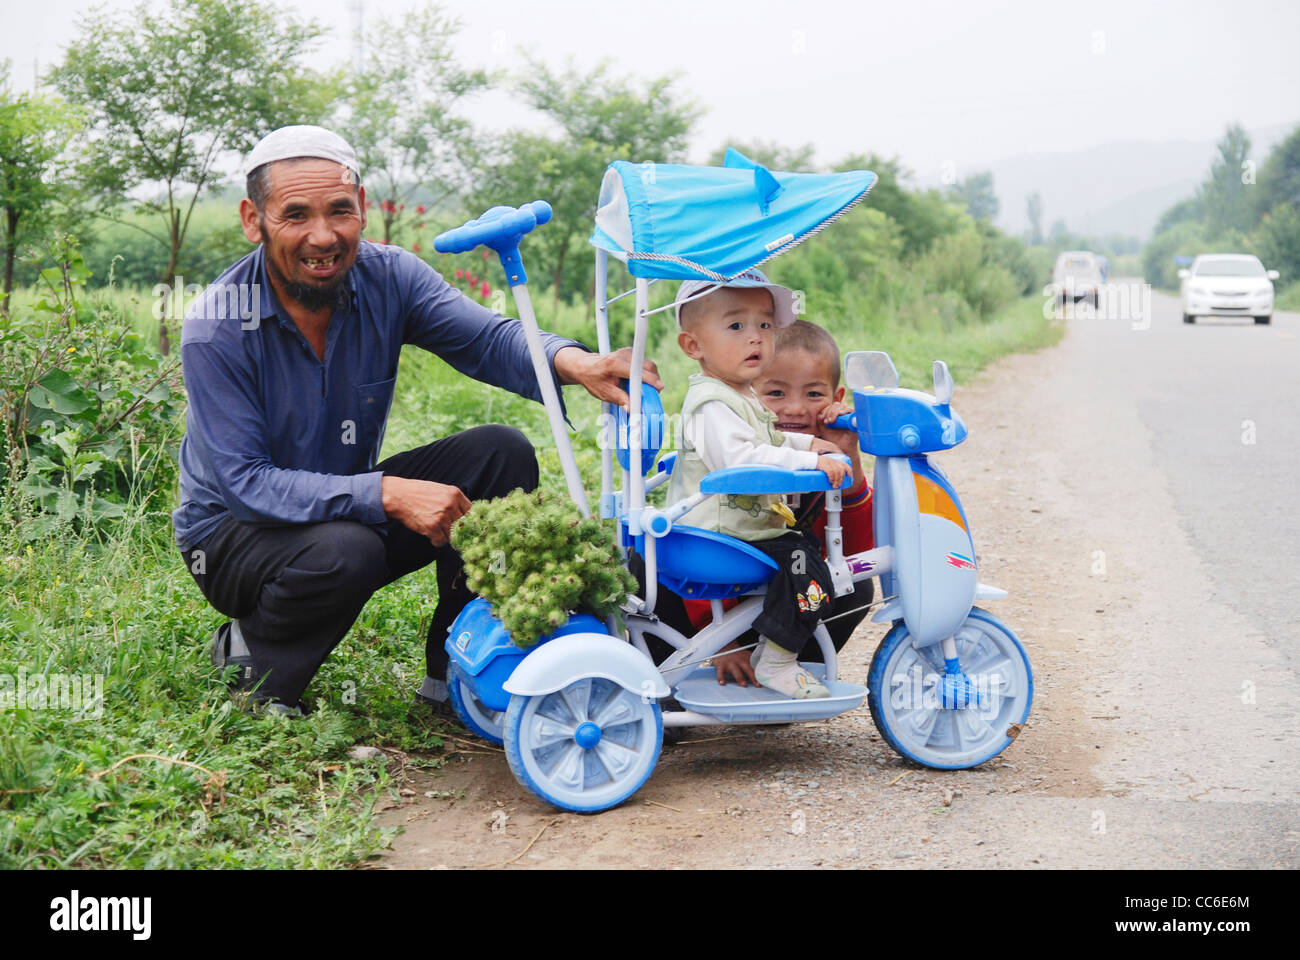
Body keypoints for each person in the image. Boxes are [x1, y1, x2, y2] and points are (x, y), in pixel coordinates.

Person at [175, 125, 659, 716]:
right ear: (254, 220)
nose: (322, 236)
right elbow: (248, 485)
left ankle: (455, 675)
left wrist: (575, 362)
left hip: (337, 506)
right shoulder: (219, 324)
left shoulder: (389, 277)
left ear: (363, 210)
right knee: (347, 548)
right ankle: (260, 670)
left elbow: (486, 338)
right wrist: (384, 493)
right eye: (295, 215)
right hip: (232, 535)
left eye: (340, 211)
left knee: (499, 454)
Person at [664, 272, 848, 699]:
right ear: (693, 346)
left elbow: (772, 441)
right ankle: (778, 659)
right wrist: (809, 461)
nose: (756, 339)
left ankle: (771, 644)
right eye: (736, 326)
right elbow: (741, 460)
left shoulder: (741, 395)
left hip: (738, 530)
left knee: (802, 553)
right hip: (717, 535)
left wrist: (809, 442)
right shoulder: (711, 404)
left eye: (765, 326)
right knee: (807, 568)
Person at [679, 319, 876, 682]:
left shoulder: (821, 460)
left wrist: (847, 453)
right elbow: (701, 531)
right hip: (712, 598)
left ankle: (788, 668)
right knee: (652, 566)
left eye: (814, 395)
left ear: (836, 399)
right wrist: (721, 644)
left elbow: (859, 551)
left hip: (790, 606)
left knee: (856, 583)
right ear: (748, 398)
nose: (796, 409)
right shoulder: (732, 451)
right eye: (776, 393)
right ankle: (669, 691)